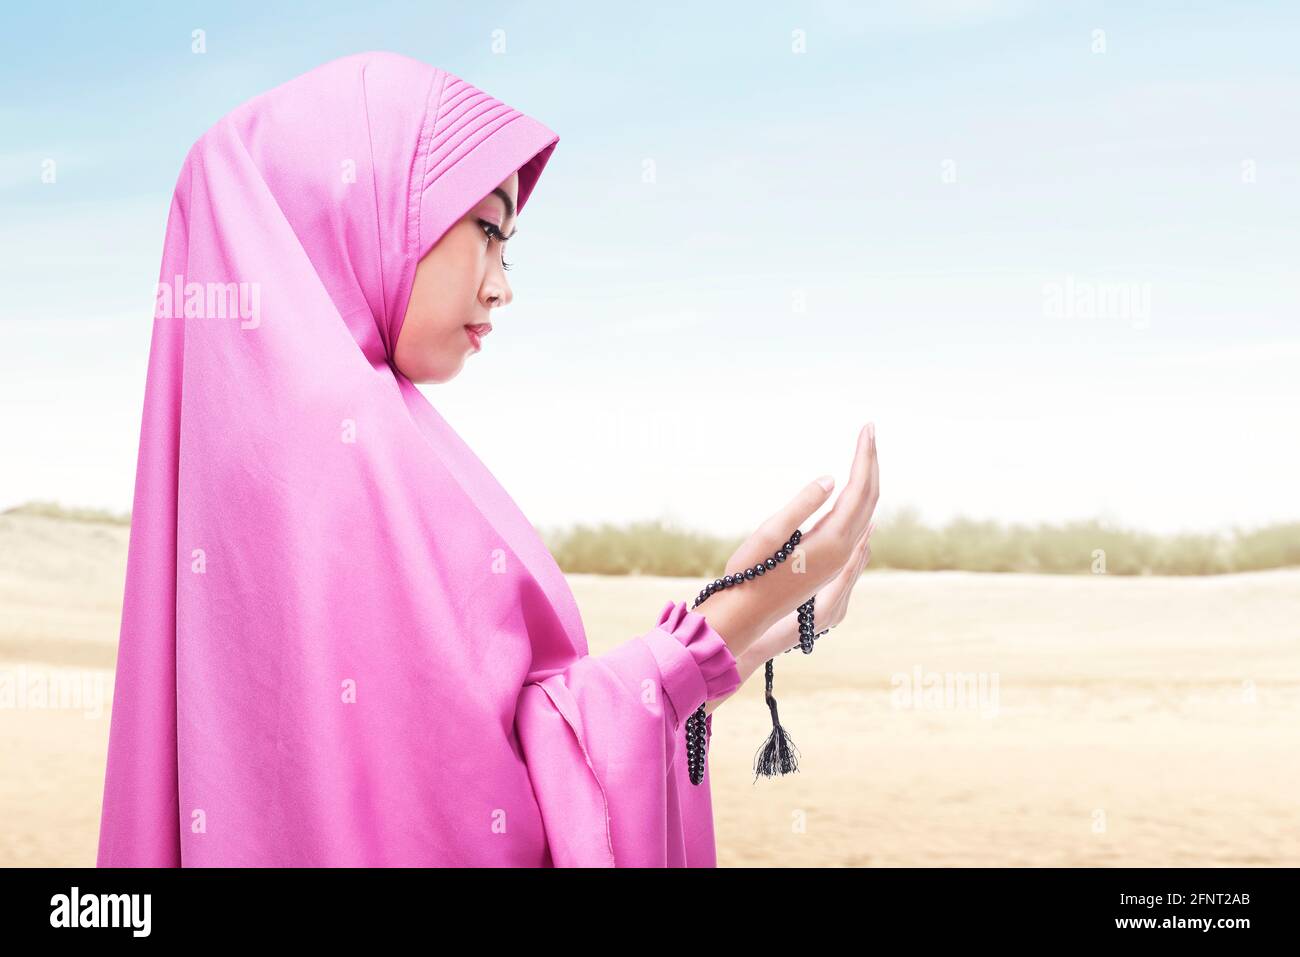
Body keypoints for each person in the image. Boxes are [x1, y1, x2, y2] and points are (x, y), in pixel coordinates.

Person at [96, 50, 879, 868]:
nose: (503, 286)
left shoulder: (256, 451)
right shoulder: (346, 450)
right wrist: (728, 623)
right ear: (351, 201)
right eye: (489, 230)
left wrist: (725, 646)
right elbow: (464, 814)